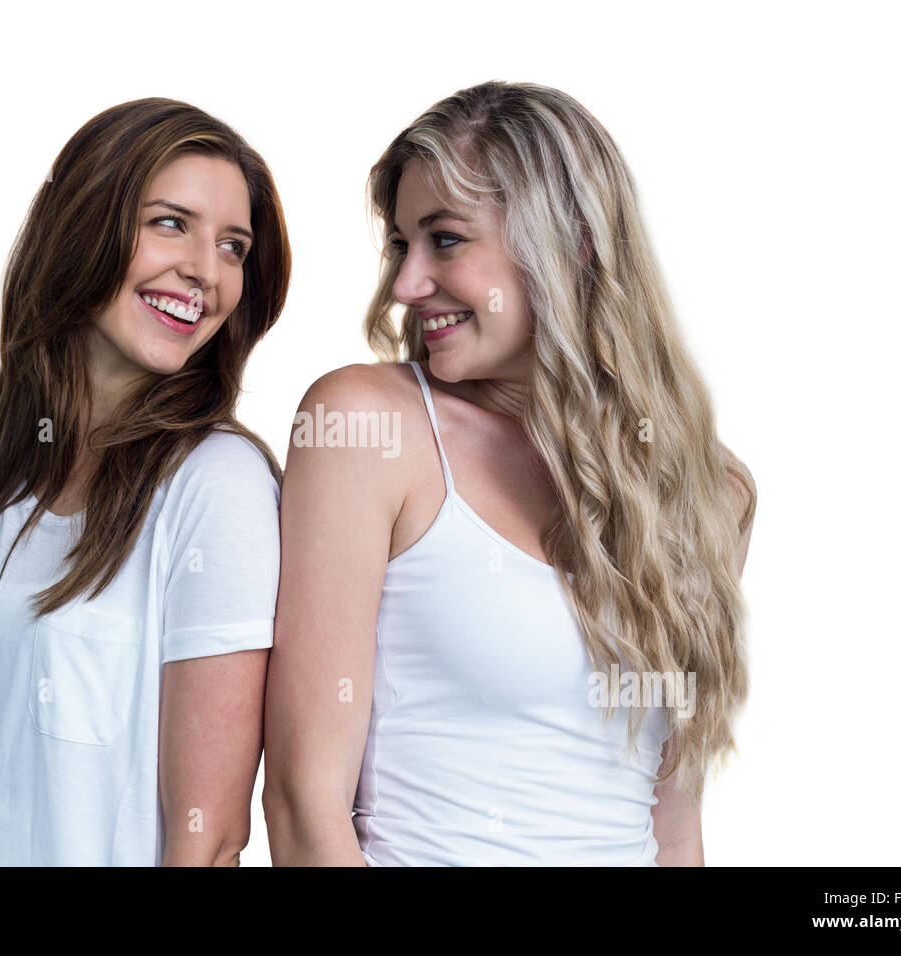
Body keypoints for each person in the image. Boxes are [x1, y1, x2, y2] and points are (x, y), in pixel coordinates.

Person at [263, 81, 756, 866]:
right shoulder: (370, 428)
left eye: (445, 240)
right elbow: (301, 800)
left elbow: (676, 827)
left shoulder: (705, 493)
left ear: (572, 242)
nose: (406, 285)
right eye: (401, 245)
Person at [0, 98, 291, 866]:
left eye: (234, 246)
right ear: (82, 223)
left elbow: (207, 841)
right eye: (171, 223)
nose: (206, 272)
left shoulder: (215, 487)